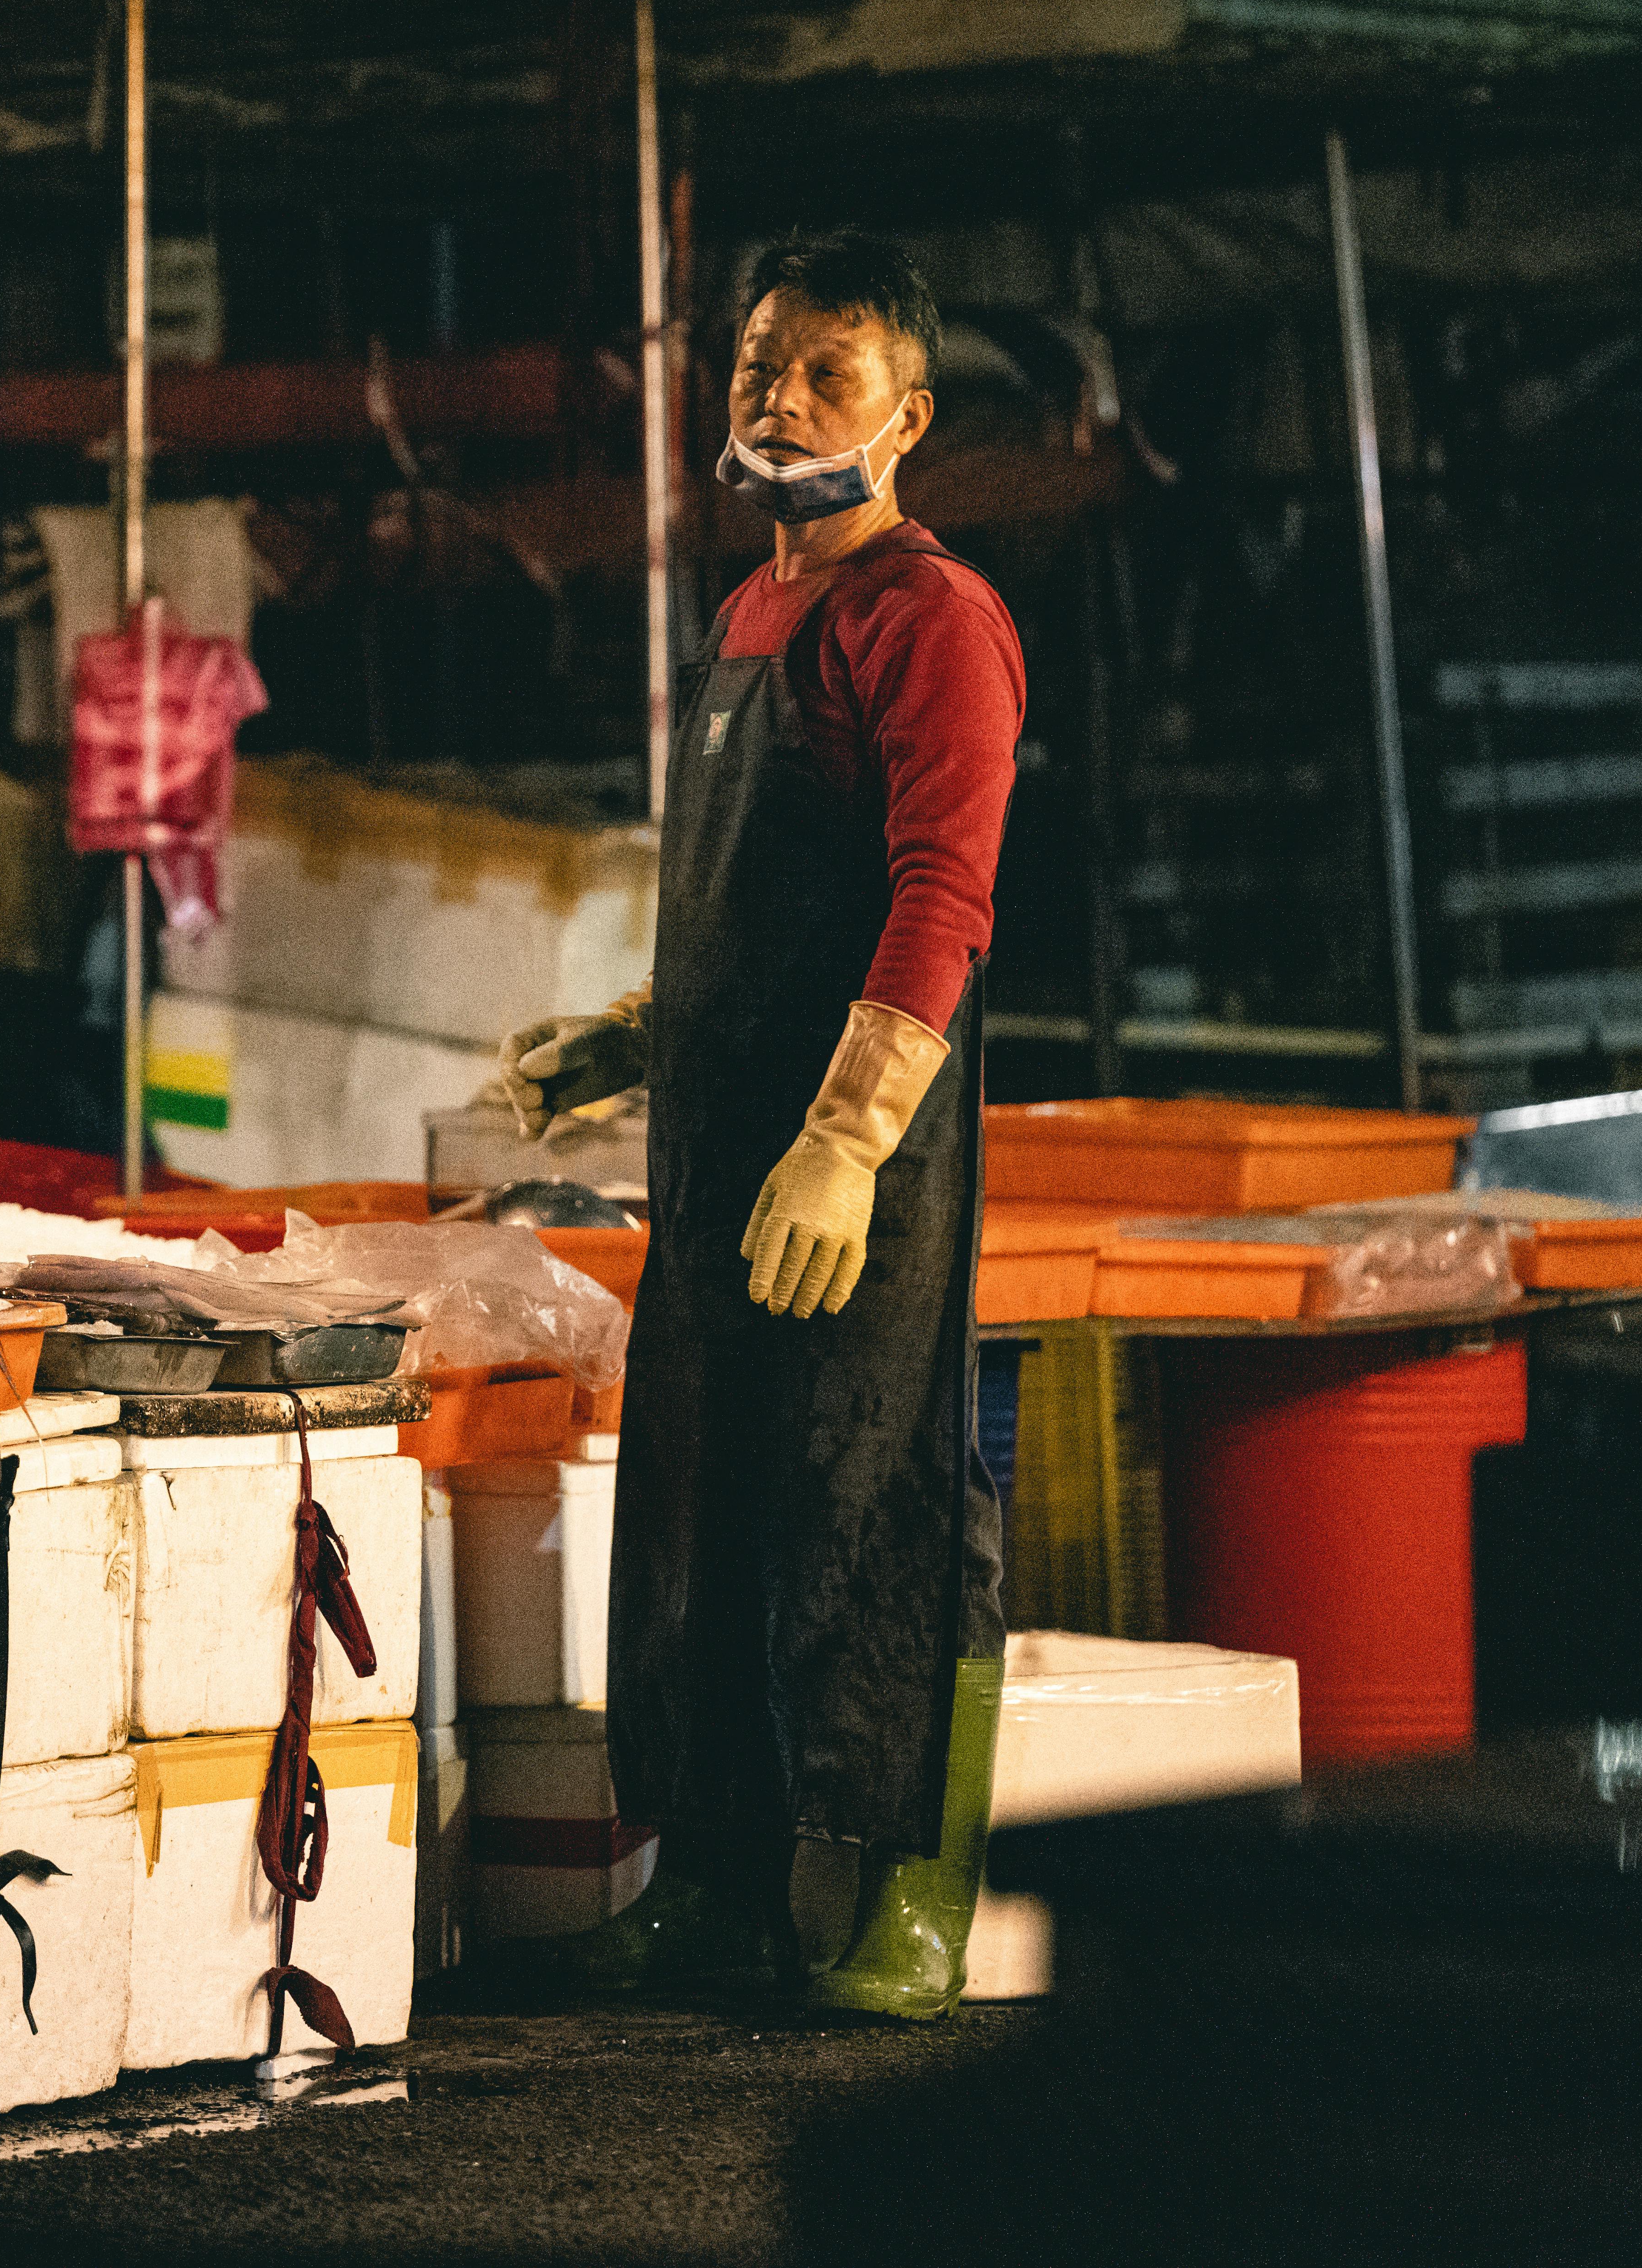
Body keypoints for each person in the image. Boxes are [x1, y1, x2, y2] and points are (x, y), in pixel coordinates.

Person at [494, 231, 1025, 2011]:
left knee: (863, 1505)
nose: (779, 398)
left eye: (827, 372)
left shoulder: (927, 616)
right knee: (707, 1514)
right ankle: (712, 1881)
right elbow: (754, 905)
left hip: (844, 1173)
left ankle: (902, 1907)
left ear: (907, 416)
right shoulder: (747, 616)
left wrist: (852, 1137)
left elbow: (936, 896)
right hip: (717, 1159)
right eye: (758, 365)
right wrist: (631, 1033)